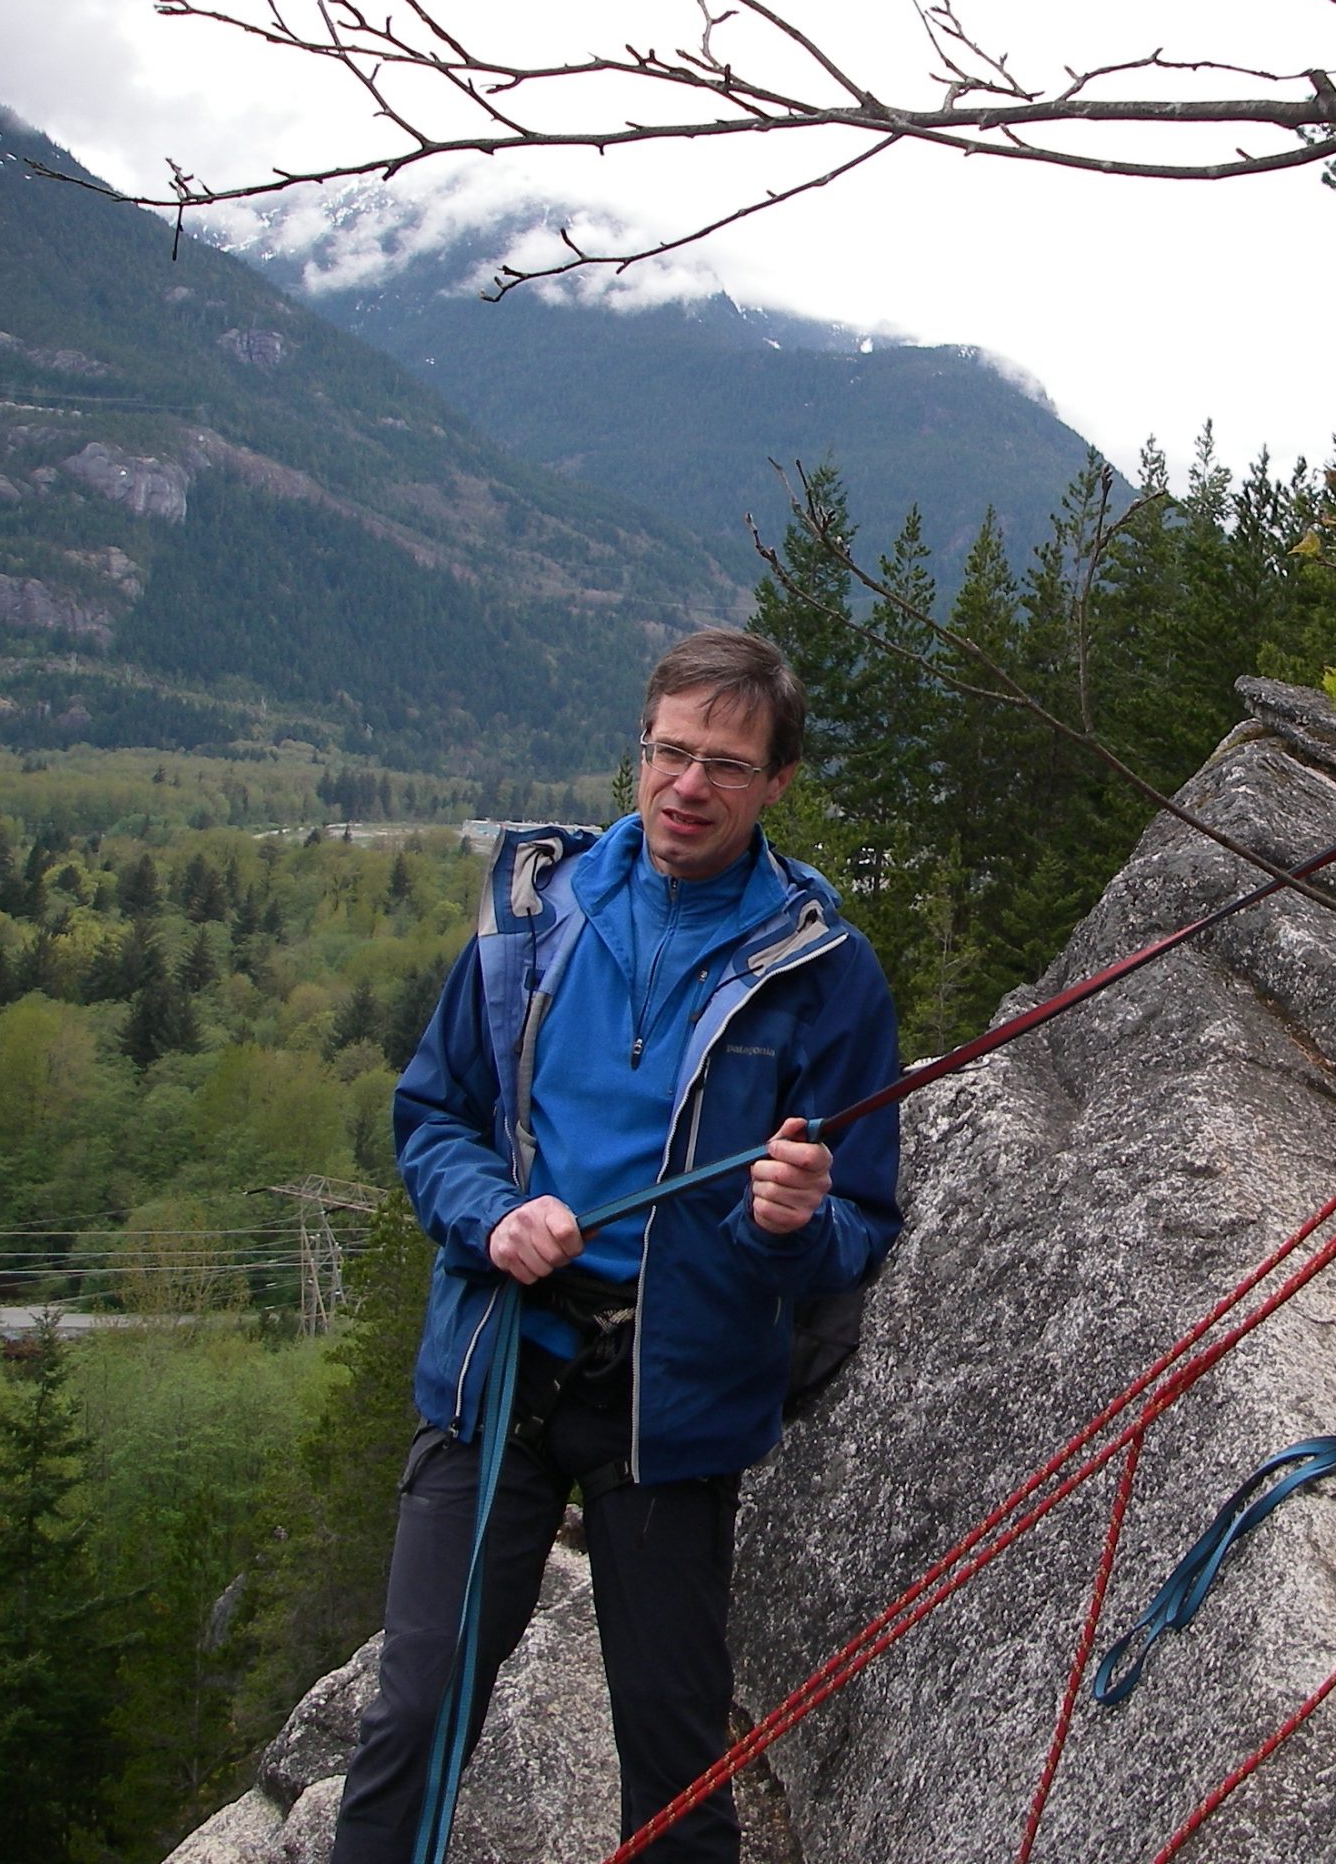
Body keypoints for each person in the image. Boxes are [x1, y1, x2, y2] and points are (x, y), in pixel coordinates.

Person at [330, 630, 903, 1864]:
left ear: (778, 783)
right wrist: (492, 1213)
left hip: (673, 1400)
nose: (688, 786)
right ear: (638, 754)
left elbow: (862, 1224)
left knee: (675, 1755)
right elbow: (431, 1116)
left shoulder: (828, 977)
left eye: (726, 765)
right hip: (501, 1364)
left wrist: (797, 1225)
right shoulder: (536, 916)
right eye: (670, 752)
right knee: (414, 1717)